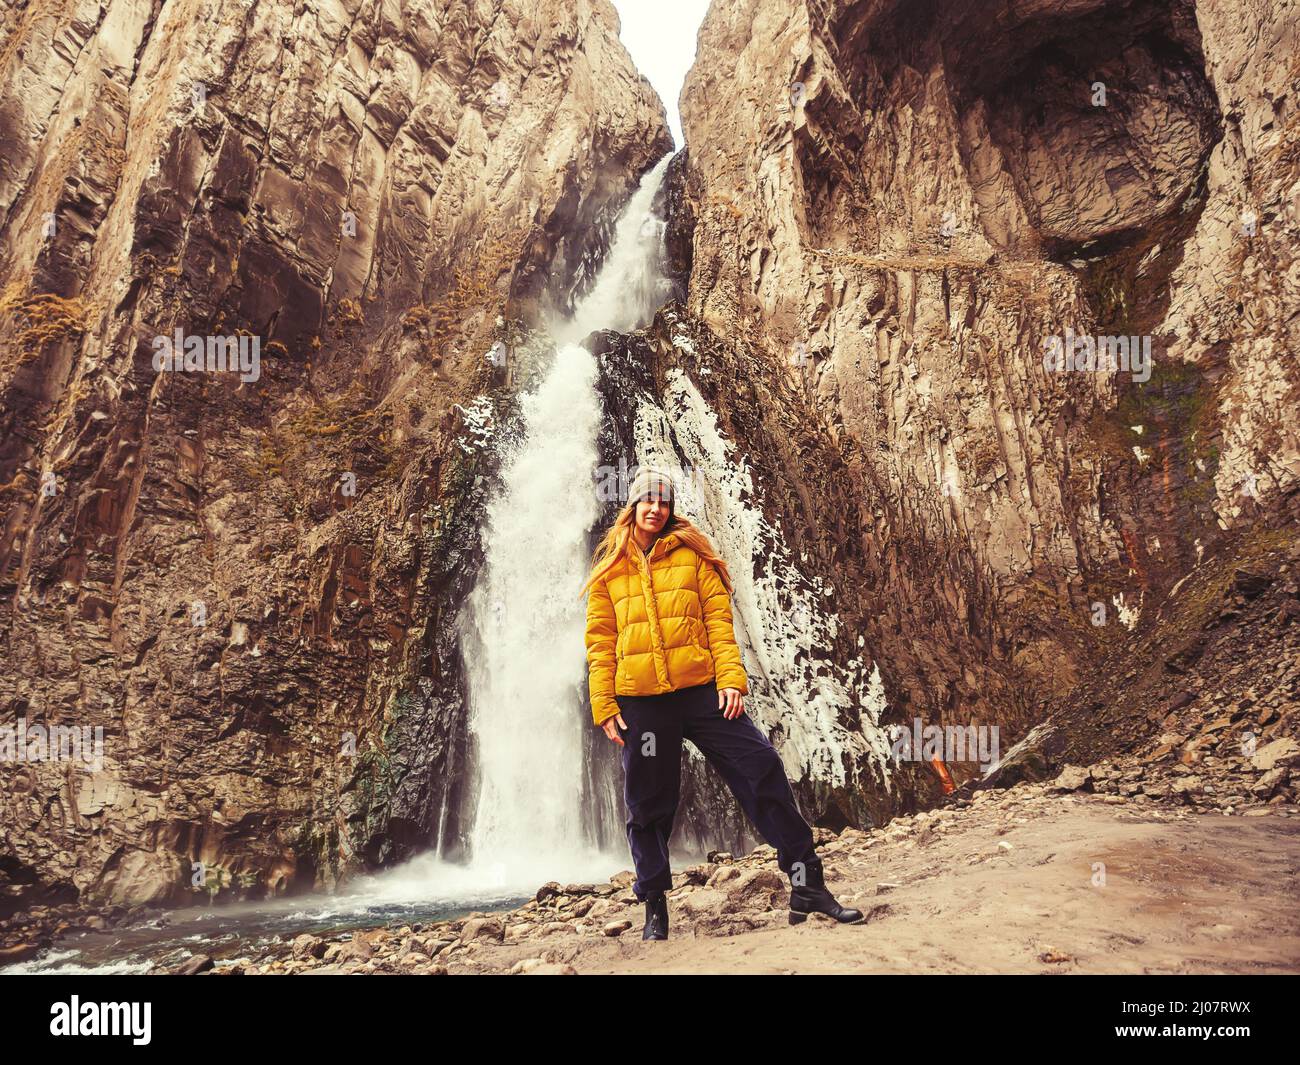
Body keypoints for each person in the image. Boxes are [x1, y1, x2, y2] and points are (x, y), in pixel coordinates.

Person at [580, 464, 862, 940]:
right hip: (643, 704)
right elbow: (600, 641)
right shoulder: (610, 569)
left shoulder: (693, 556)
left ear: (671, 509)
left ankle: (807, 884)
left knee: (762, 769)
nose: (655, 508)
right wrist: (604, 704)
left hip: (701, 695)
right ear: (632, 507)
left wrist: (731, 680)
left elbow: (717, 623)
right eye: (647, 500)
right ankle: (654, 906)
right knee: (647, 802)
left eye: (664, 502)